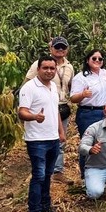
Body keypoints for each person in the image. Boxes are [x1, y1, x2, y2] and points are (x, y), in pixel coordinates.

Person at [17, 55, 65, 212]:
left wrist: (61, 131)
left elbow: (56, 110)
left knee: (47, 175)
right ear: (38, 69)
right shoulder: (29, 88)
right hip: (37, 140)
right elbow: (22, 112)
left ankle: (45, 205)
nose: (49, 71)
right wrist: (34, 117)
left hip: (52, 139)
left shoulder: (53, 86)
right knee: (38, 176)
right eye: (45, 68)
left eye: (52, 68)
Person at [24, 37, 75, 177]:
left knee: (60, 139)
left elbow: (70, 86)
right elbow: (27, 84)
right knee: (42, 140)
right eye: (57, 47)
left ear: (67, 49)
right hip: (43, 109)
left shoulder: (69, 67)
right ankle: (41, 169)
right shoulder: (39, 64)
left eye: (63, 47)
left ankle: (57, 171)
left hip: (62, 106)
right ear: (51, 48)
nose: (60, 50)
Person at [70, 49, 106, 173]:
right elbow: (73, 98)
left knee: (104, 143)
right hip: (88, 113)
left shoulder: (105, 74)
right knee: (88, 144)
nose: (97, 61)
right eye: (94, 58)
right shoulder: (81, 77)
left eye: (100, 59)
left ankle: (103, 172)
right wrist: (83, 94)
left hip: (104, 112)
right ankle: (85, 174)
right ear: (88, 60)